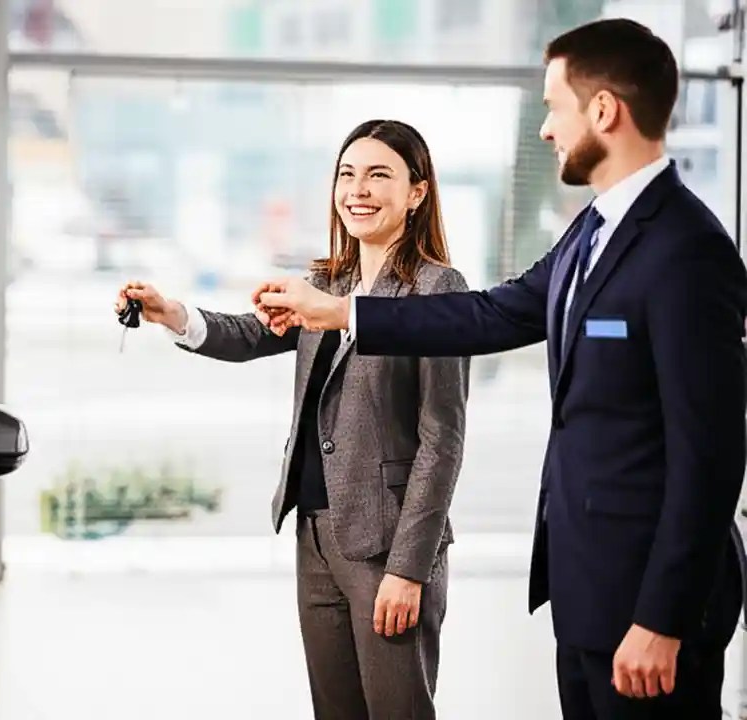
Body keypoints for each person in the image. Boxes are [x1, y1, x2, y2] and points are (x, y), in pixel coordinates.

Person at [253, 18, 747, 720]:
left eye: (555, 107)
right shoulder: (592, 231)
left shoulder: (687, 249)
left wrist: (663, 617)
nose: (546, 129)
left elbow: (712, 457)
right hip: (589, 597)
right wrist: (344, 315)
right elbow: (491, 315)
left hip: (650, 610)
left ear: (603, 111)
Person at [115, 119, 469, 719]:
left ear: (417, 192)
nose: (358, 188)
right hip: (316, 532)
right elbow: (251, 334)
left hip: (387, 543)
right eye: (347, 173)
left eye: (379, 174)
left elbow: (443, 440)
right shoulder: (327, 281)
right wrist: (170, 312)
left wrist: (410, 569)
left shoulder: (438, 288)